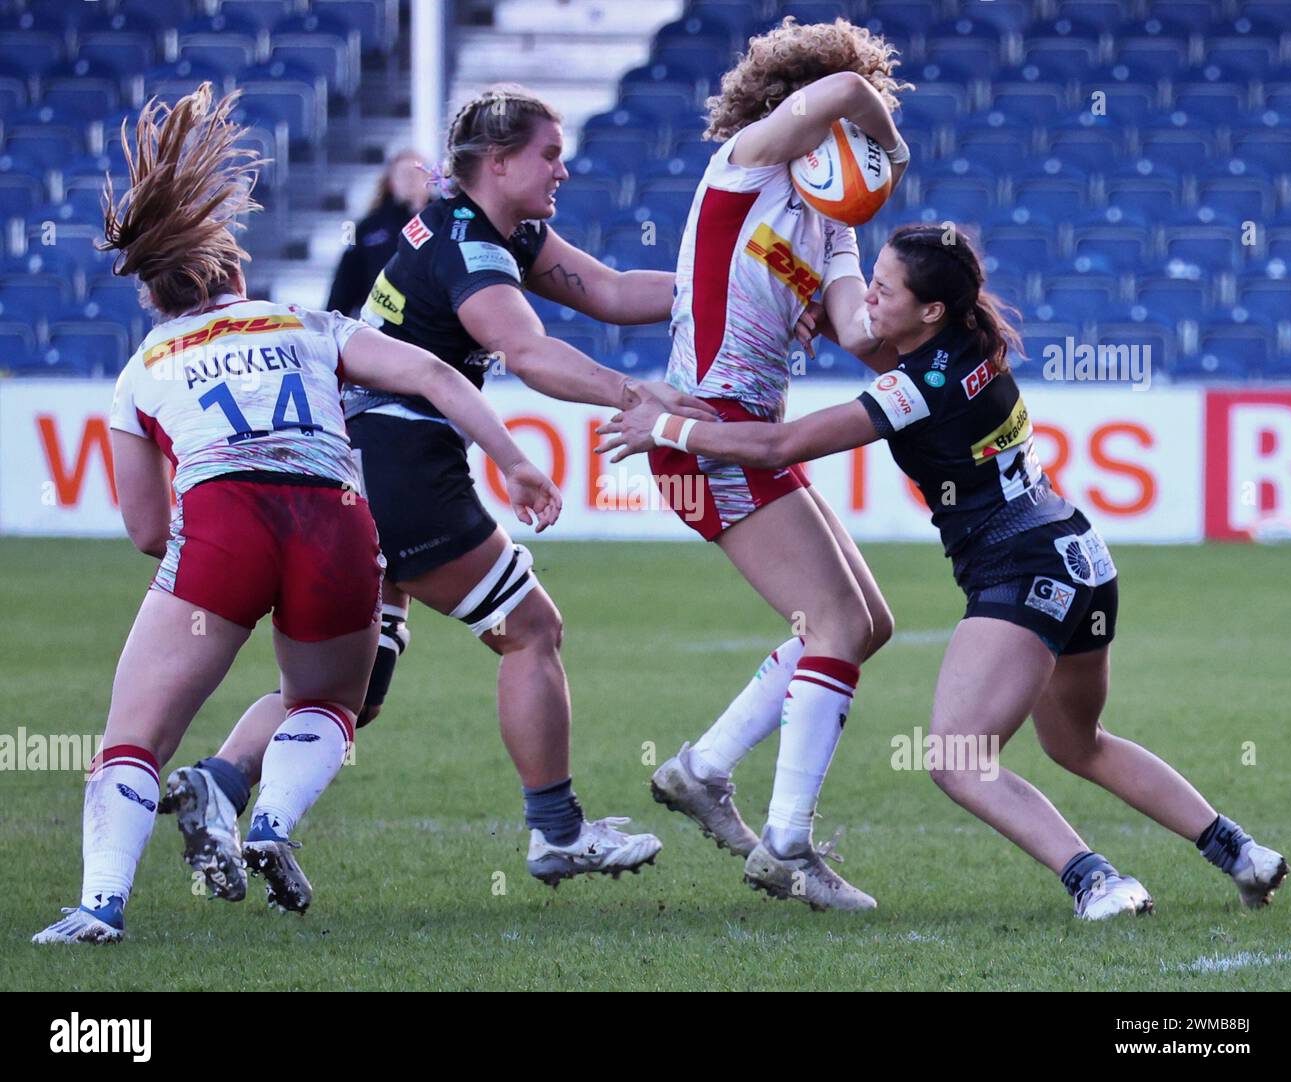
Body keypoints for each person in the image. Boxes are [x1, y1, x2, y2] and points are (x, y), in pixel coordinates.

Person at [156, 81, 778, 898]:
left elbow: (619, 292)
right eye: (548, 155)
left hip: (358, 464)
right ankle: (557, 835)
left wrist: (742, 289)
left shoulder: (489, 231)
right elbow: (528, 354)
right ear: (496, 162)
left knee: (347, 692)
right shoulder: (473, 249)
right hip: (401, 461)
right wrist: (636, 396)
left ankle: (223, 783)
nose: (563, 169)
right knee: (529, 630)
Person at [597, 222, 1290, 920]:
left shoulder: (917, 385)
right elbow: (875, 347)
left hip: (1022, 575)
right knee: (1081, 743)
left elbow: (783, 442)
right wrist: (816, 282)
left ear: (929, 309)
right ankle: (1242, 854)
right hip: (1081, 560)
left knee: (957, 758)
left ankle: (1099, 884)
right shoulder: (963, 345)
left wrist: (667, 428)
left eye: (883, 287)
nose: (868, 294)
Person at [32, 84, 561, 943]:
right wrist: (516, 460)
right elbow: (434, 374)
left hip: (224, 525)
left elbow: (141, 528)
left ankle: (99, 908)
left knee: (134, 738)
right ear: (237, 272)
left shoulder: (145, 365)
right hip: (341, 519)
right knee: (326, 701)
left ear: (159, 293)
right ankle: (273, 819)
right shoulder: (305, 321)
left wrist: (211, 578)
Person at [573, 19, 910, 912]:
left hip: (746, 435)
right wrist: (894, 147)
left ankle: (704, 769)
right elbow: (844, 92)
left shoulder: (832, 225)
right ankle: (789, 845)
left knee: (864, 623)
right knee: (836, 624)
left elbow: (860, 336)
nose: (854, 141)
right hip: (701, 431)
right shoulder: (747, 164)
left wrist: (919, 318)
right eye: (849, 128)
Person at [326, 149, 431, 318]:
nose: (410, 180)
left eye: (416, 173)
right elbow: (347, 278)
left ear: (429, 178)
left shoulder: (445, 221)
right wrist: (332, 320)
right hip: (381, 322)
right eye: (403, 174)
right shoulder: (366, 227)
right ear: (391, 182)